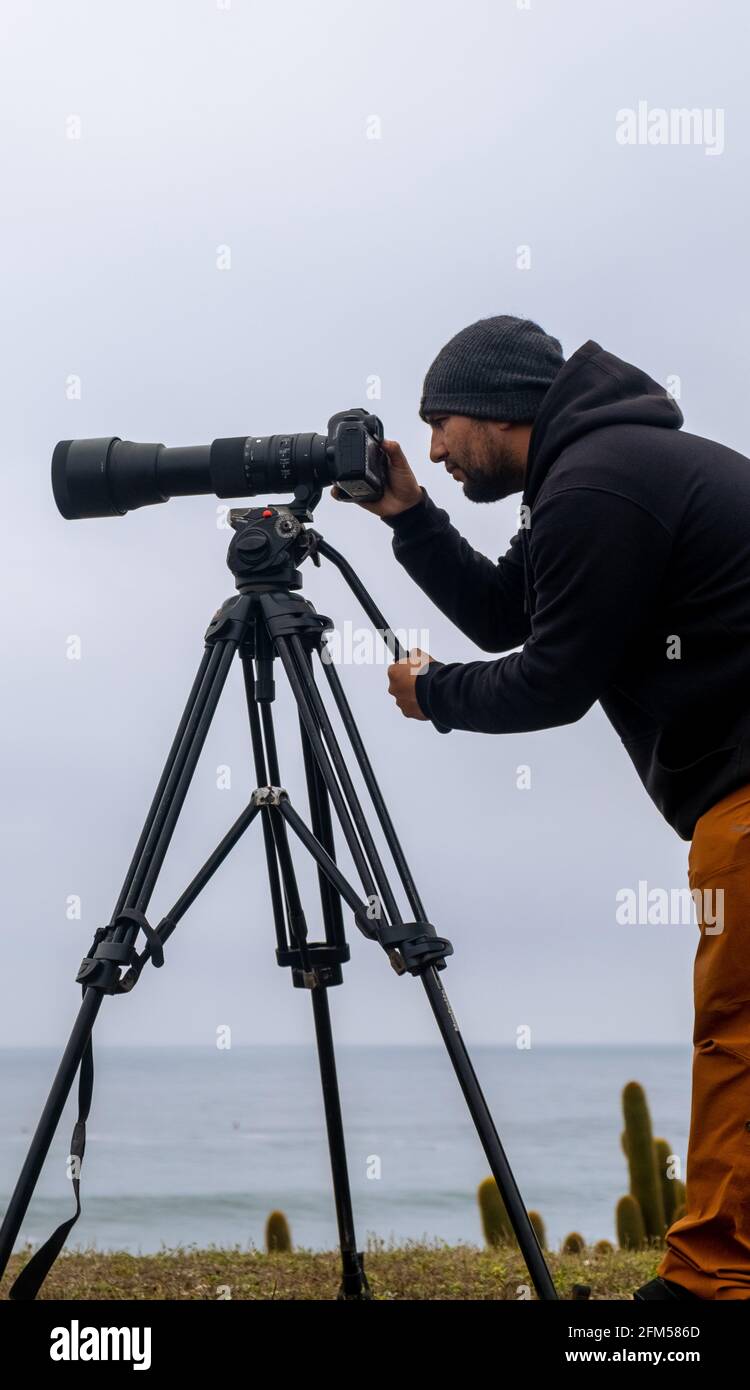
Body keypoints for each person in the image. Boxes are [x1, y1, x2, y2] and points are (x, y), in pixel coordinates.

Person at [333, 314, 750, 1301]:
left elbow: (553, 679)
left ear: (495, 407)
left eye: (440, 424)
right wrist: (407, 513)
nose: (433, 446)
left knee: (735, 1034)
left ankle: (707, 1292)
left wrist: (435, 694)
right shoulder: (604, 468)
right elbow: (511, 613)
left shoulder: (597, 484)